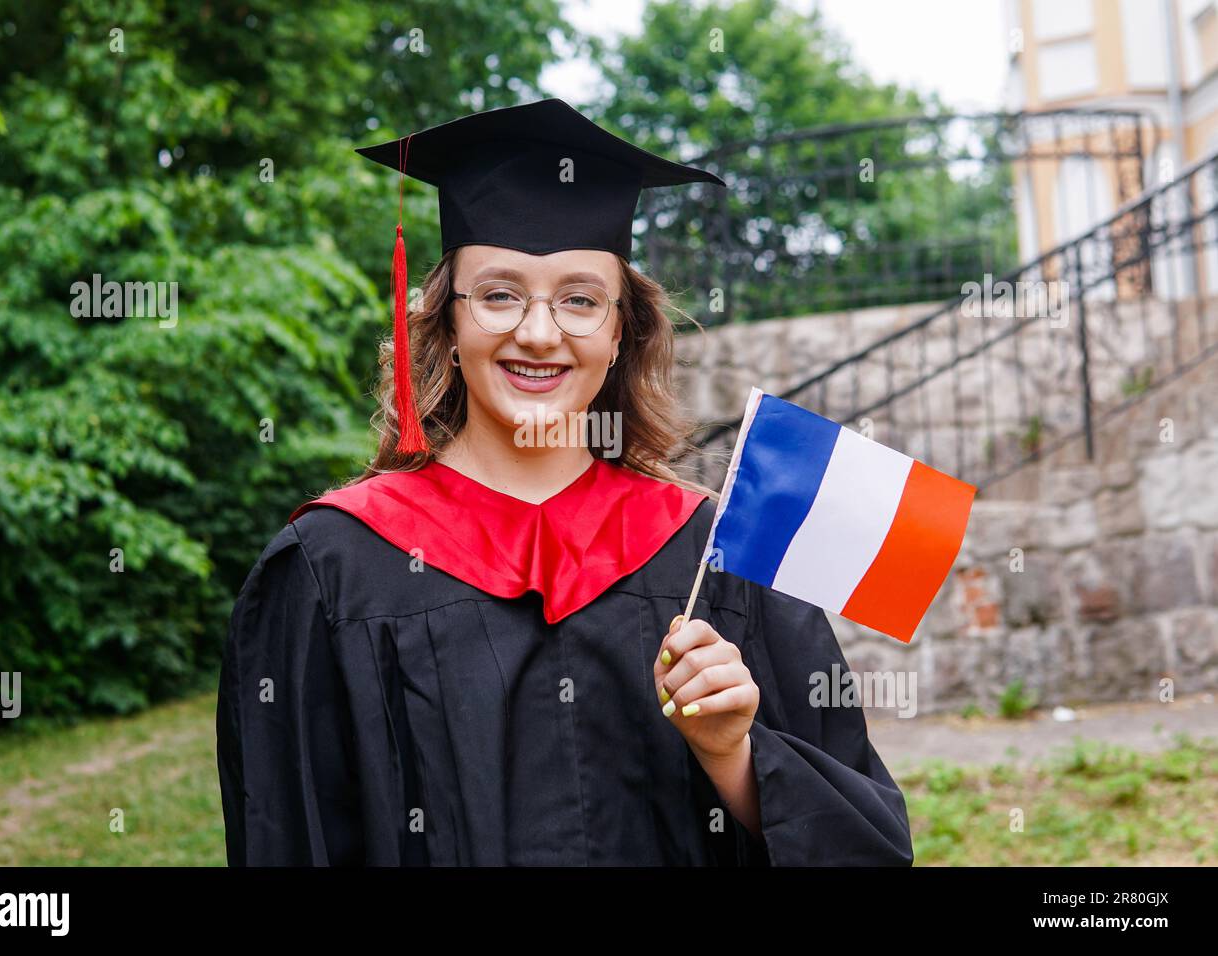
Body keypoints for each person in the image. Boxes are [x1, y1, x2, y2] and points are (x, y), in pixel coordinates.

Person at [215, 97, 914, 866]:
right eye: (499, 294)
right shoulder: (331, 569)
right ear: (447, 323)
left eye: (580, 299)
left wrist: (732, 756)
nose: (540, 332)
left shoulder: (713, 559)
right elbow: (288, 831)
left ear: (621, 332)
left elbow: (868, 847)